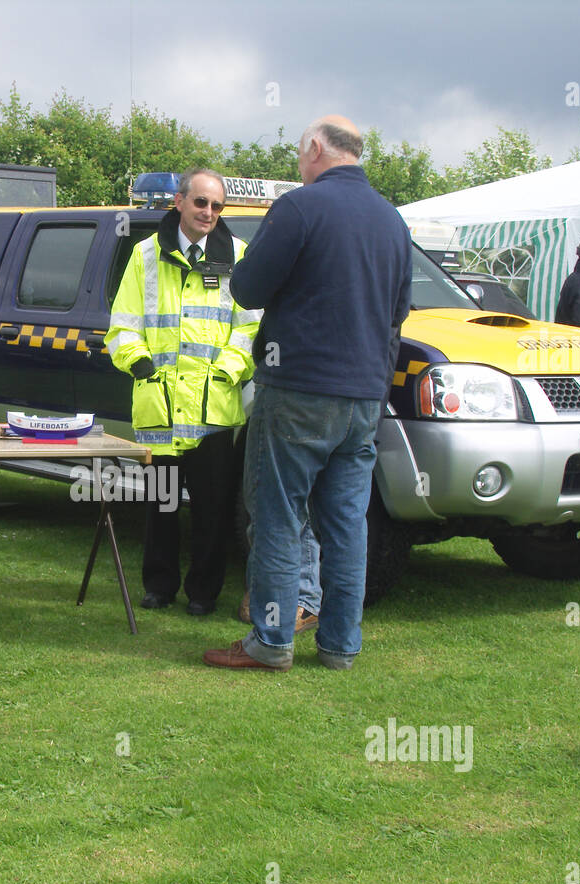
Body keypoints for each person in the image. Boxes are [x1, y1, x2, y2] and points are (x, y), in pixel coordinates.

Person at [204, 115, 411, 671]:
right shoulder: (392, 220)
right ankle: (341, 646)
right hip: (364, 397)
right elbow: (398, 313)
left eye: (300, 155)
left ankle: (271, 641)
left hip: (297, 388)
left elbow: (246, 290)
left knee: (278, 516)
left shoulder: (299, 207)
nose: (299, 165)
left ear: (316, 148)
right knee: (346, 524)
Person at [105, 168, 260, 615]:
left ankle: (204, 594)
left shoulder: (240, 257)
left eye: (216, 206)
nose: (209, 212)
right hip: (162, 405)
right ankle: (159, 587)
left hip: (213, 407)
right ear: (179, 201)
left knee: (212, 510)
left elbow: (250, 327)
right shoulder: (145, 255)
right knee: (162, 503)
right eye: (200, 203)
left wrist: (229, 370)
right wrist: (140, 364)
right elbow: (123, 324)